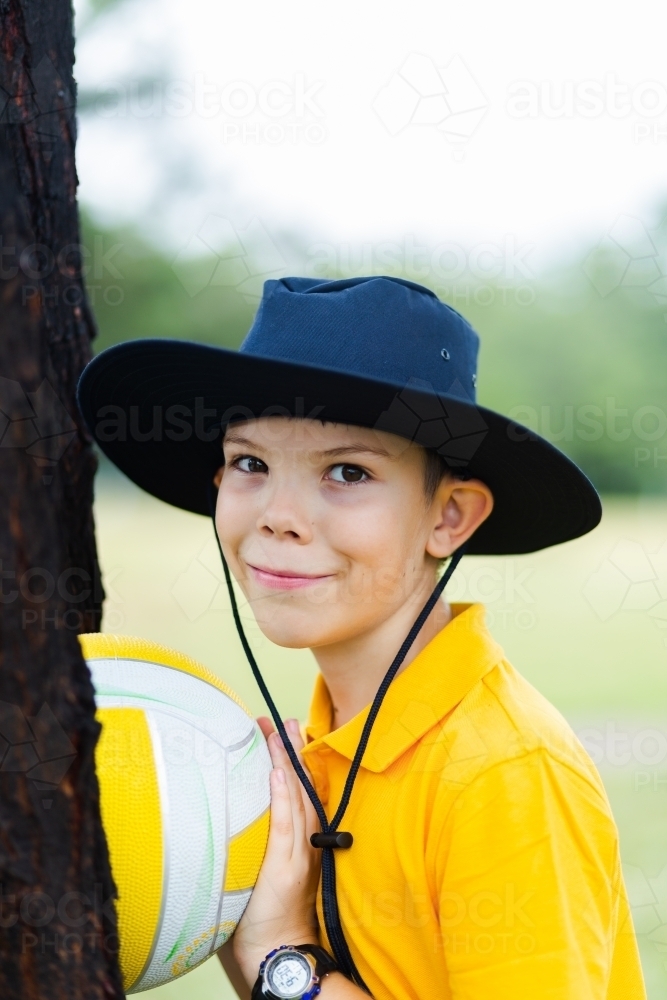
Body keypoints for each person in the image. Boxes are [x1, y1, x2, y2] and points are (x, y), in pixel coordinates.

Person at [78, 276, 646, 1000]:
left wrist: (283, 956)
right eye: (250, 464)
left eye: (347, 472)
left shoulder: (503, 775)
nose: (280, 516)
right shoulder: (312, 749)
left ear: (448, 518)